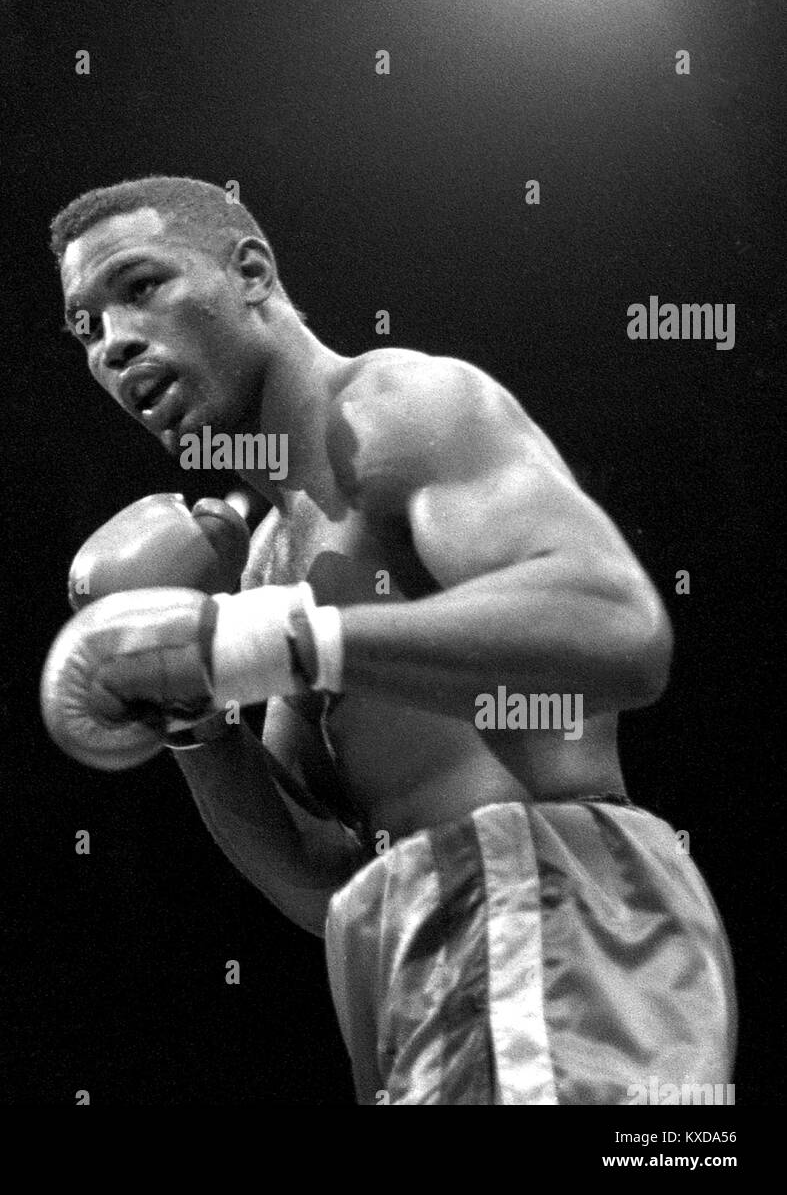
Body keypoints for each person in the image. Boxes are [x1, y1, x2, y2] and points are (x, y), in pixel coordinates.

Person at [44, 174, 737, 1105]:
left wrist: (271, 640)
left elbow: (617, 631)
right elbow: (325, 879)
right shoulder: (268, 562)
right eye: (84, 328)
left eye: (138, 287)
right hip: (416, 959)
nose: (113, 342)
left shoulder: (402, 409)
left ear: (250, 272)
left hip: (552, 926)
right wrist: (192, 720)